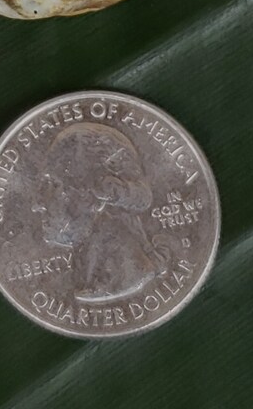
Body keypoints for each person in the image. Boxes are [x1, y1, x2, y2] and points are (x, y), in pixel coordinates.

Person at [33, 122, 171, 302]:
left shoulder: (125, 277)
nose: (37, 204)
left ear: (100, 195)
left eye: (54, 184)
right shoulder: (86, 278)